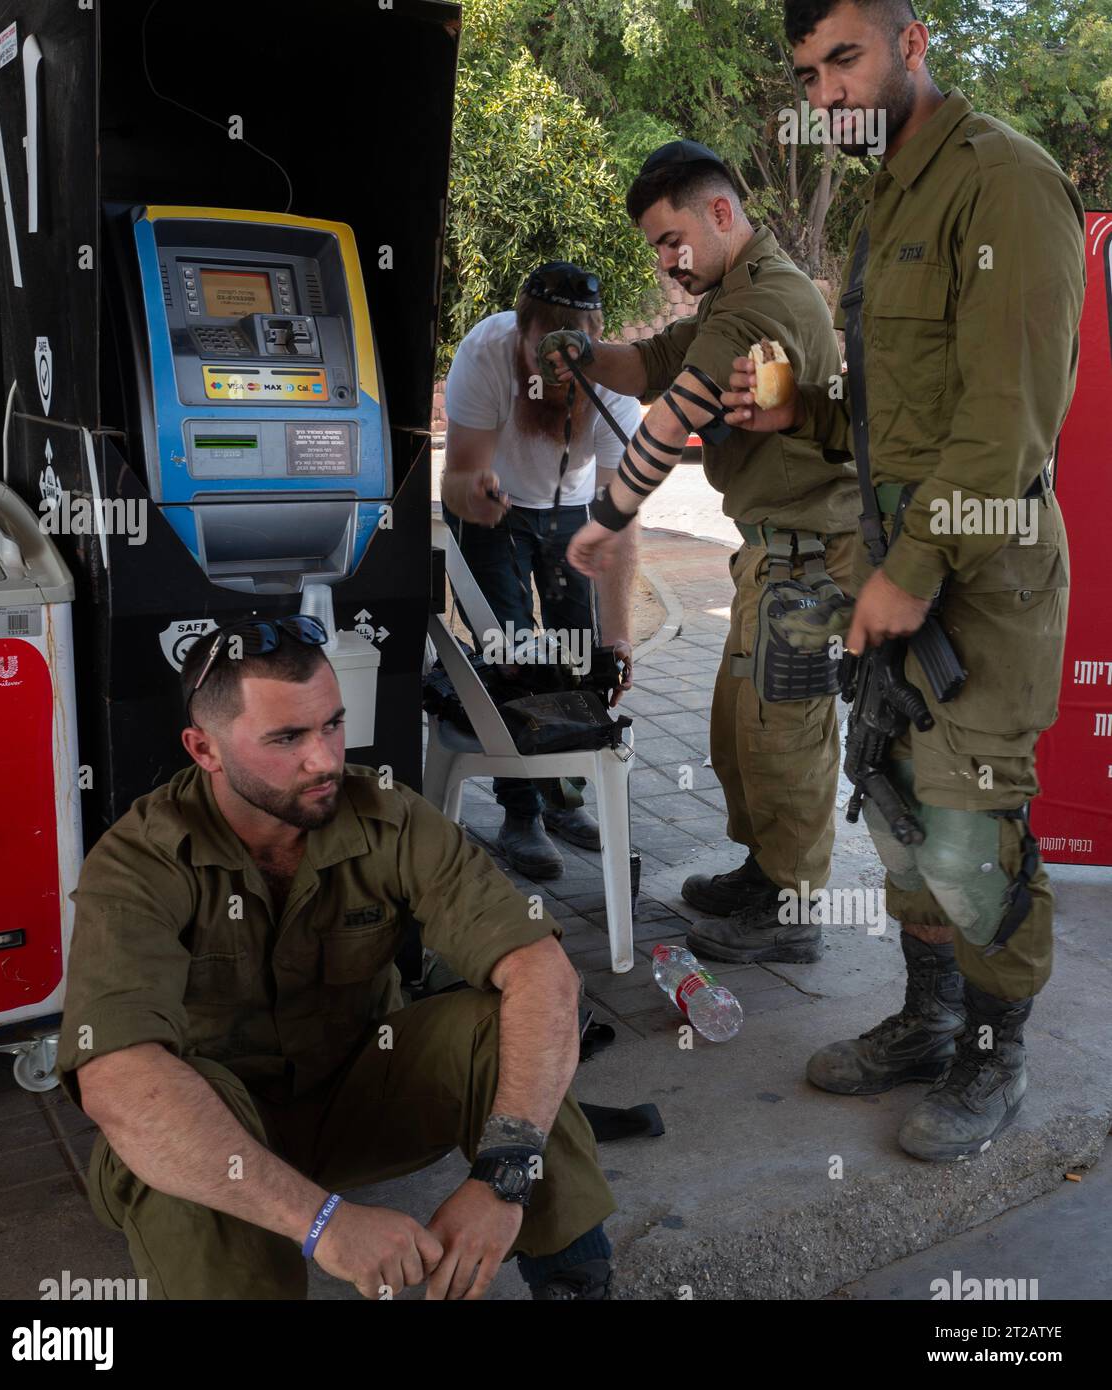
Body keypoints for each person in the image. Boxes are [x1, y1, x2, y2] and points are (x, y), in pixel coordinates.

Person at [718, 0, 1085, 1162]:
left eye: (846, 58)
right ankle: (929, 1019)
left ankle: (994, 1050)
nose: (825, 91)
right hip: (895, 573)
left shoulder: (1005, 184)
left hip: (978, 587)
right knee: (895, 809)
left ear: (912, 41)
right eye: (808, 71)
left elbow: (1004, 427)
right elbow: (897, 418)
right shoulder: (891, 191)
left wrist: (912, 573)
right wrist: (804, 410)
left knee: (971, 833)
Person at [53, 615, 616, 1299]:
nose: (323, 760)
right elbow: (118, 1080)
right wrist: (323, 1224)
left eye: (331, 724)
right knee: (165, 1124)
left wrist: (506, 1175)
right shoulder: (139, 861)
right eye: (287, 738)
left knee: (506, 1024)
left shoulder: (387, 814)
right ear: (204, 749)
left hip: (360, 1095)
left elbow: (541, 972)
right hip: (227, 1127)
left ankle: (576, 1279)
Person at [539, 144, 860, 963]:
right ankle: (766, 872)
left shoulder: (764, 303)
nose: (665, 261)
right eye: (655, 246)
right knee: (741, 731)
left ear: (720, 213)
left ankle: (793, 911)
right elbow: (649, 363)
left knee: (784, 738)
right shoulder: (733, 295)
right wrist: (581, 352)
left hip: (809, 559)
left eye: (671, 239)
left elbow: (671, 414)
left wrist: (605, 519)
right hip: (770, 557)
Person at [441, 262, 641, 880]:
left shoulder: (613, 382)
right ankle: (520, 812)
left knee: (583, 658)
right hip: (493, 513)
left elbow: (620, 516)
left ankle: (564, 797)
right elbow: (454, 481)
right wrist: (476, 493)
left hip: (573, 510)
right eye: (543, 348)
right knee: (512, 657)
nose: (558, 368)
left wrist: (618, 633)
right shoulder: (485, 354)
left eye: (572, 350)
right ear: (520, 332)